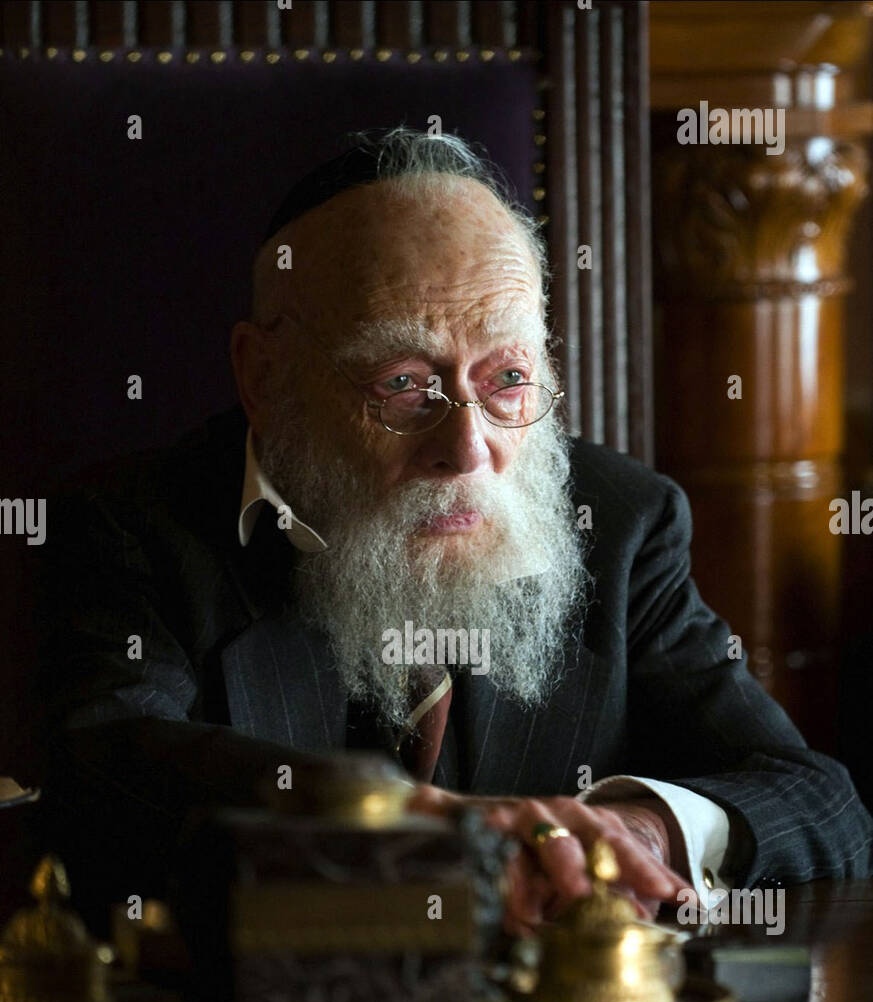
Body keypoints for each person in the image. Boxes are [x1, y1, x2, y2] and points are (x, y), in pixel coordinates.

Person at [22, 128, 873, 933]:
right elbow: (100, 773)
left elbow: (816, 799)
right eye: (402, 383)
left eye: (506, 377)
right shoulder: (130, 529)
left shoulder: (619, 524)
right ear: (264, 376)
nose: (467, 450)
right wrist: (402, 825)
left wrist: (638, 833)